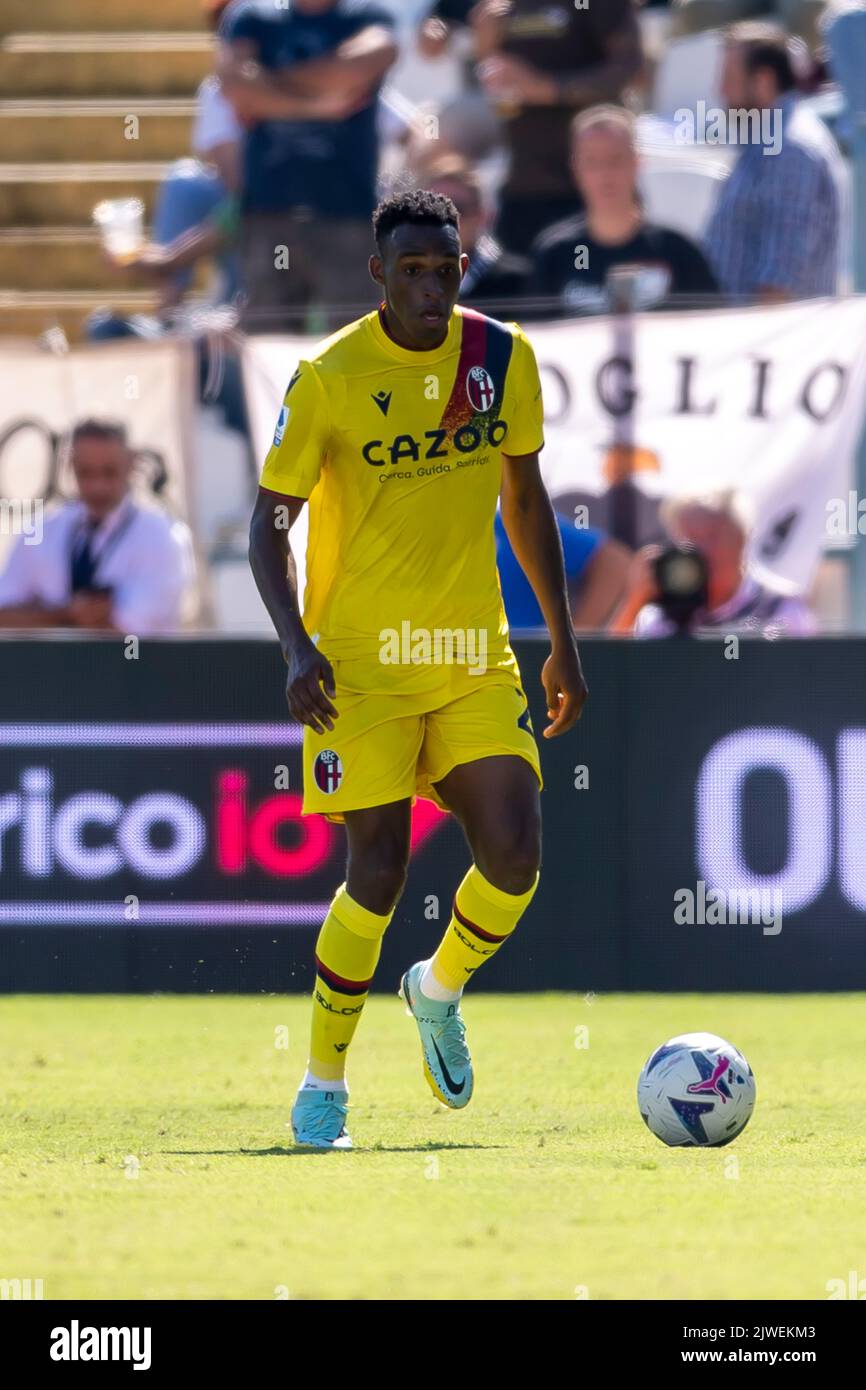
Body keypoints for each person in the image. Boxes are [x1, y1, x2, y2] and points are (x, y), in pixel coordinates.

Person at [248, 188, 588, 1148]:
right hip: (359, 664)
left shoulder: (501, 359)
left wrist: (560, 638)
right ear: (379, 275)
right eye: (413, 272)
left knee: (514, 858)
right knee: (380, 872)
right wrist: (295, 646)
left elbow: (525, 500)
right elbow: (267, 529)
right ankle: (323, 1088)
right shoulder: (329, 376)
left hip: (472, 651)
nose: (432, 290)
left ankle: (435, 990)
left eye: (446, 271)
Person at [217, 0, 398, 332]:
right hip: (270, 212)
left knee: (356, 348)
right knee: (267, 344)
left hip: (348, 213)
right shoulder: (252, 14)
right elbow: (234, 84)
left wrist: (267, 82)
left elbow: (364, 64)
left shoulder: (366, 13)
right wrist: (317, 107)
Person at [472, 0, 645, 255]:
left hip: (590, 192)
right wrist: (485, 47)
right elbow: (497, 78)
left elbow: (630, 69)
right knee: (517, 290)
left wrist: (546, 88)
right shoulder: (503, 5)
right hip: (524, 187)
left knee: (593, 290)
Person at [0, 420, 194, 635]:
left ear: (130, 465)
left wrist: (45, 615)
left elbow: (134, 632)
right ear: (70, 466)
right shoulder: (42, 530)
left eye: (109, 472)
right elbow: (4, 615)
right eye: (85, 473)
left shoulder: (161, 537)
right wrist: (68, 614)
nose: (97, 486)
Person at [530, 104, 718, 314]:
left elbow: (710, 328)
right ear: (575, 168)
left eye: (615, 160)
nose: (605, 175)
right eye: (592, 162)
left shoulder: (678, 253)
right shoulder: (556, 254)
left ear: (638, 162)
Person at [704, 22, 844, 302]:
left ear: (763, 82)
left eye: (729, 80)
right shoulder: (770, 142)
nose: (720, 92)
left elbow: (779, 282)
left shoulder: (789, 151)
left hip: (763, 342)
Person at [608, 491, 817, 636]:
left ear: (743, 539)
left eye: (711, 537)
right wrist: (634, 602)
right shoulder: (660, 615)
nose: (700, 550)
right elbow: (616, 677)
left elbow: (807, 680)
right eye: (688, 540)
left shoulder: (780, 608)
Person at [496, 509, 632, 629]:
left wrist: (576, 639)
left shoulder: (510, 523)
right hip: (479, 651)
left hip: (527, 654)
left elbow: (614, 563)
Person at [427, 157, 530, 309]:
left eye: (456, 209)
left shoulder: (516, 281)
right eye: (433, 210)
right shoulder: (406, 281)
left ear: (483, 216)